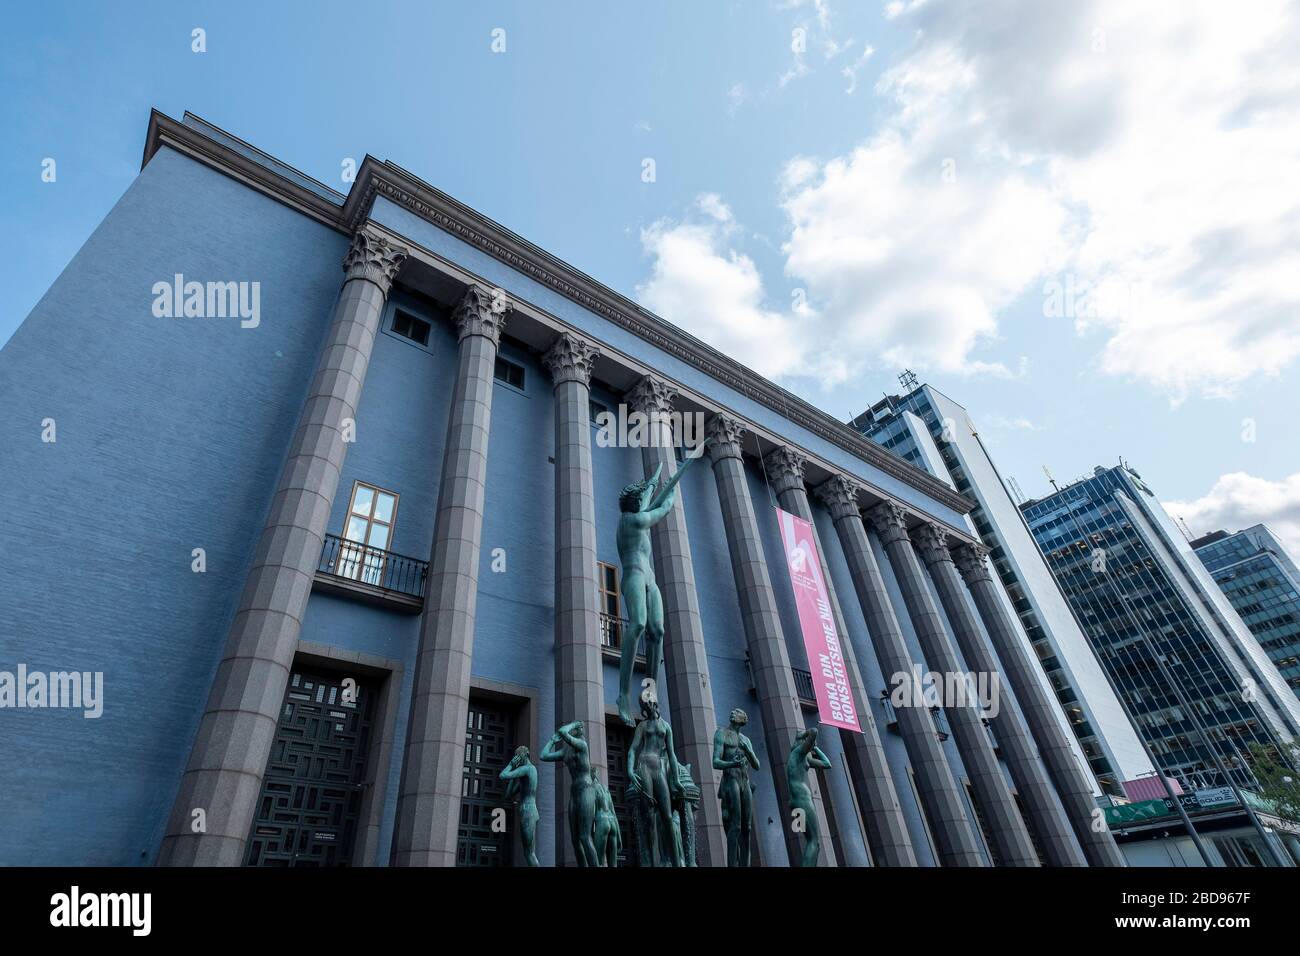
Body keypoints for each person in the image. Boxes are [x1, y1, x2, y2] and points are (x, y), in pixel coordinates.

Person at [540, 720, 599, 866]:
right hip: (575, 794)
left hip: (586, 790)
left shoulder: (582, 745)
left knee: (585, 837)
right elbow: (544, 755)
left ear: (578, 730)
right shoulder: (566, 751)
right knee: (575, 840)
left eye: (573, 728)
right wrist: (552, 741)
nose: (570, 730)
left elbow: (562, 731)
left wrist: (574, 725)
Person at [712, 708, 760, 866]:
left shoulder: (745, 740)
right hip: (731, 780)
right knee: (736, 826)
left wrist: (748, 751)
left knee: (747, 827)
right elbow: (716, 762)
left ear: (743, 719)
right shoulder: (721, 734)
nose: (732, 712)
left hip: (744, 781)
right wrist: (733, 763)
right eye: (732, 711)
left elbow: (757, 765)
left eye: (737, 712)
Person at [786, 726, 832, 868]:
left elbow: (827, 764)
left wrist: (816, 749)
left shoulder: (802, 758)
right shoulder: (799, 753)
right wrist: (805, 735)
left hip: (795, 800)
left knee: (810, 841)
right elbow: (814, 731)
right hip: (802, 798)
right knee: (814, 842)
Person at [498, 745, 540, 866]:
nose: (517, 758)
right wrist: (514, 776)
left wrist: (511, 764)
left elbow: (503, 775)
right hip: (528, 812)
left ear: (526, 755)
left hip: (528, 812)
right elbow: (508, 794)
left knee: (530, 853)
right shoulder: (525, 774)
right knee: (528, 853)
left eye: (518, 756)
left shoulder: (528, 769)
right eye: (515, 756)